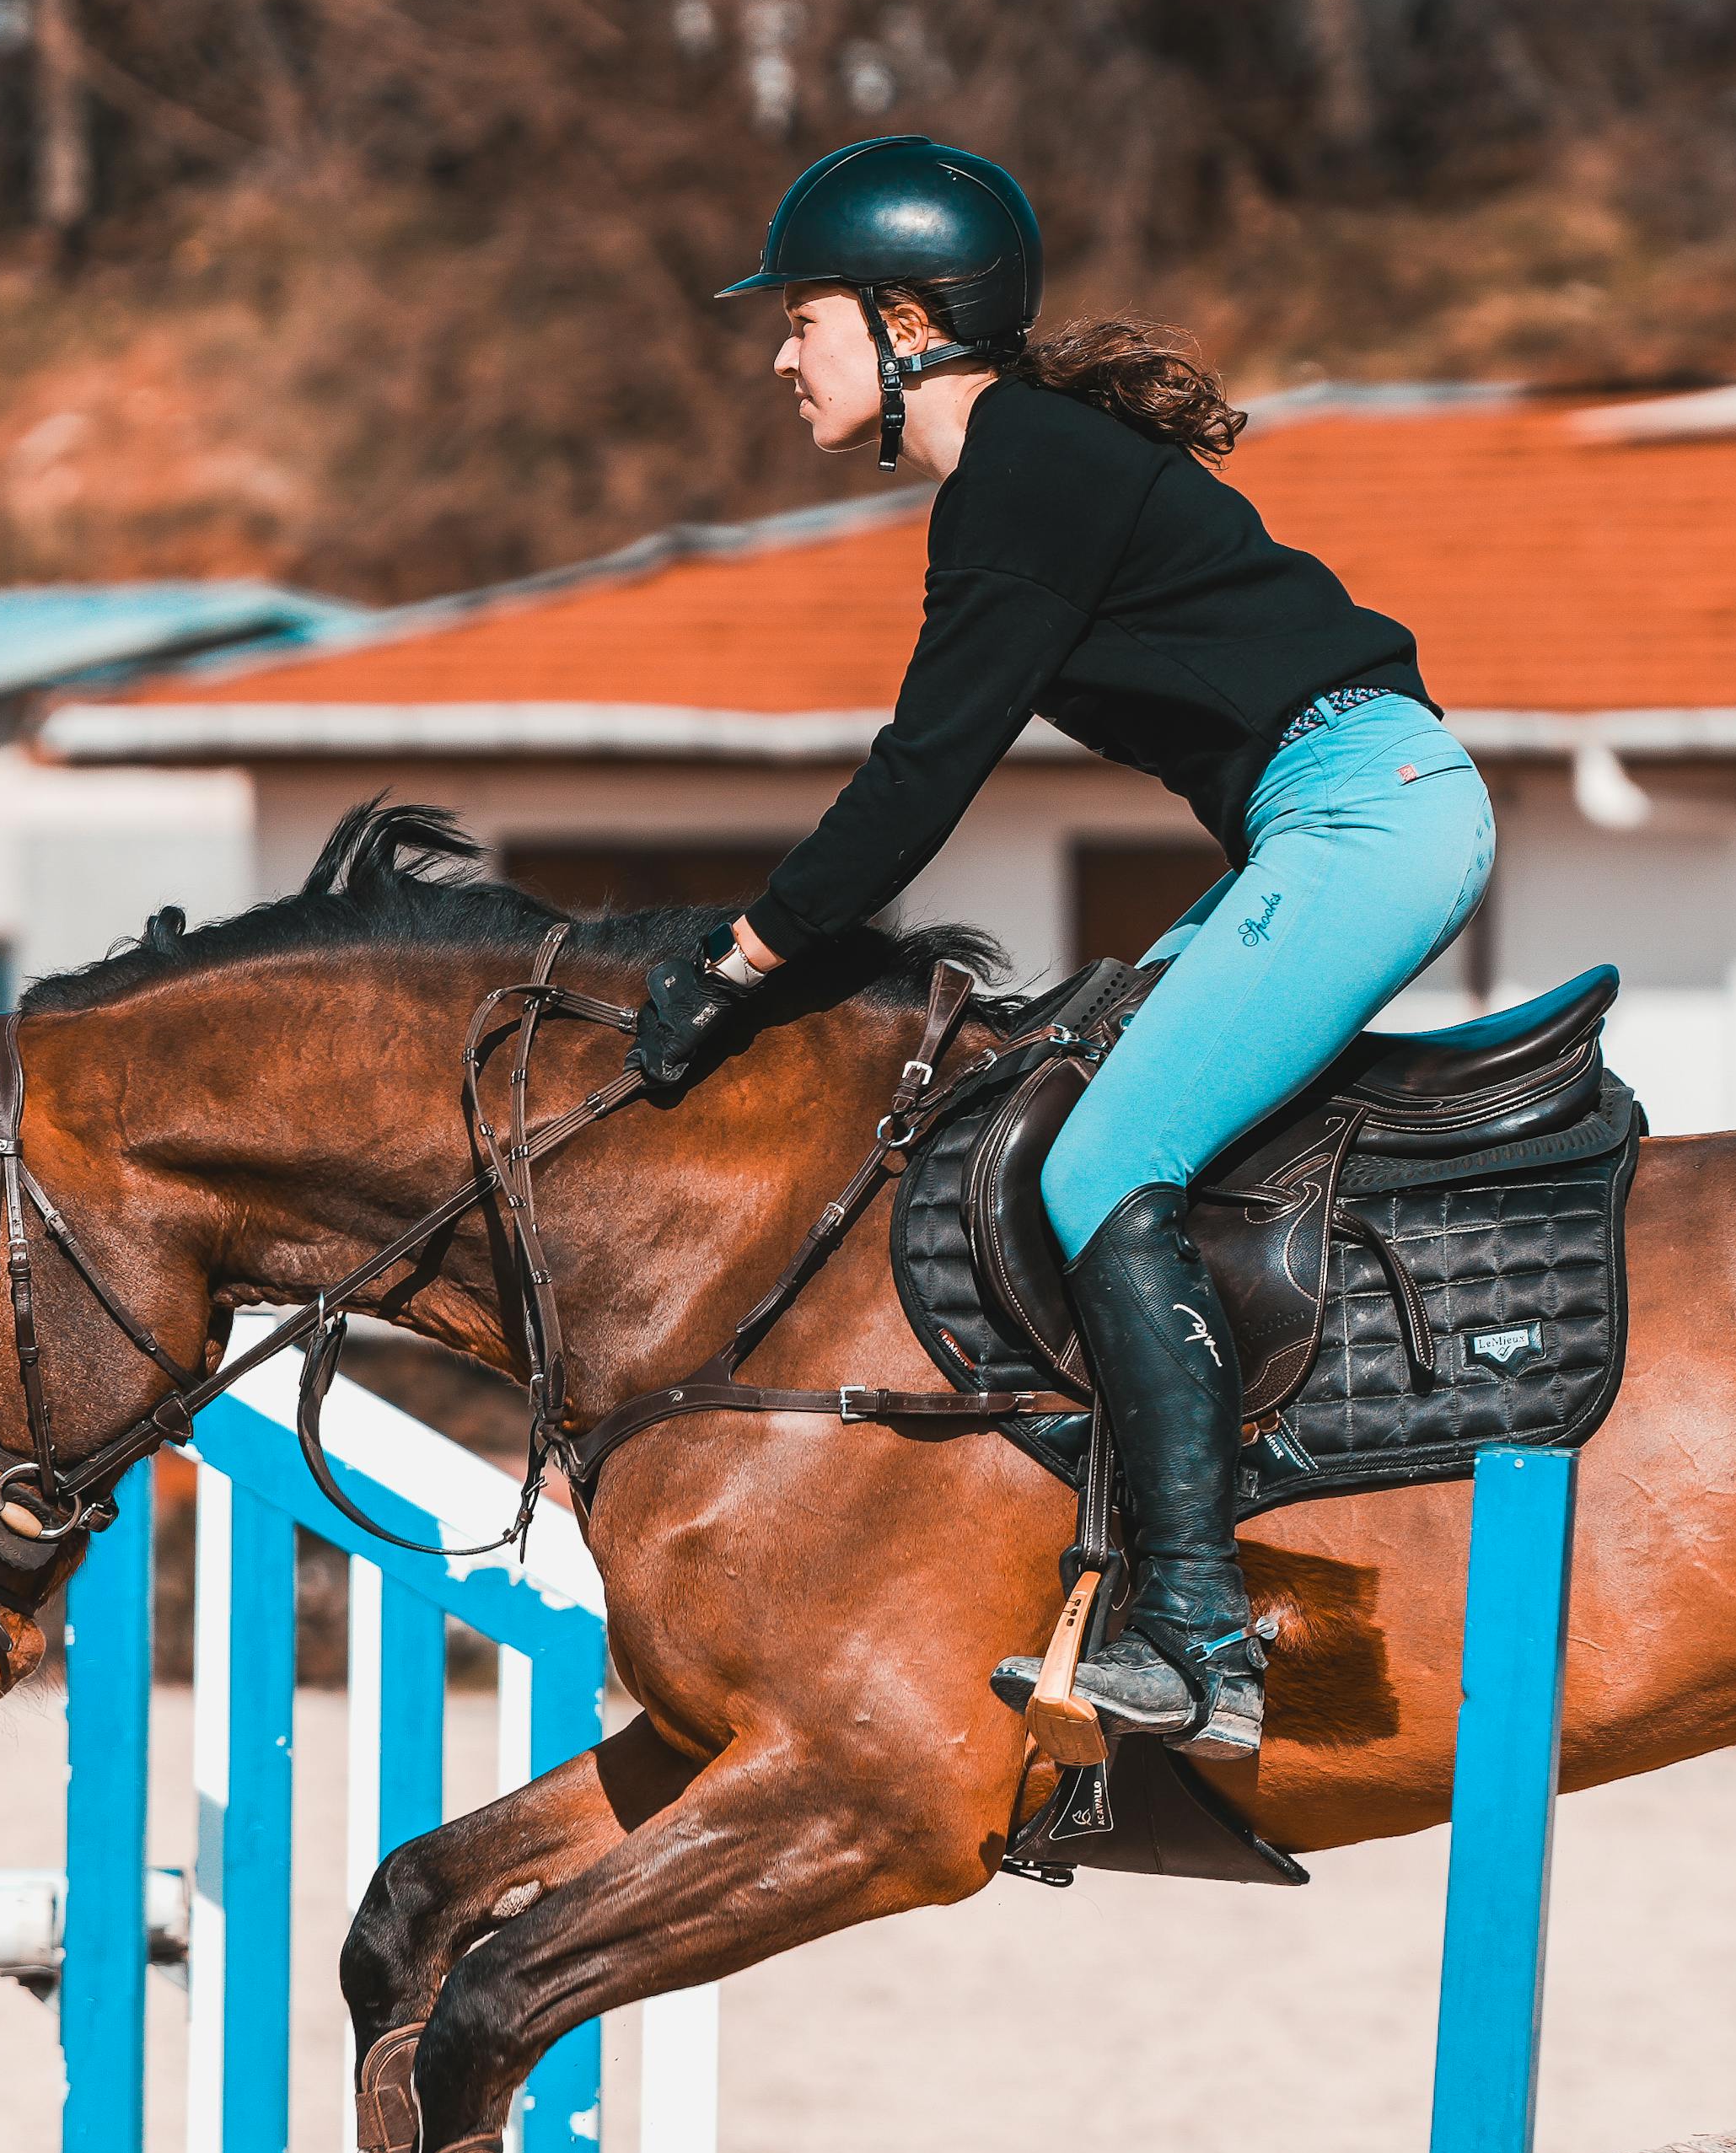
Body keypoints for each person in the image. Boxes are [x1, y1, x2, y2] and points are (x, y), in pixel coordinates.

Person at [624, 134, 1491, 1760]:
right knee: (1065, 1106)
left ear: (903, 323)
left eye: (799, 319)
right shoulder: (1026, 468)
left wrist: (744, 959)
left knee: (1101, 1170)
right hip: (1336, 815)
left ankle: (1204, 1638)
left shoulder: (1020, 474)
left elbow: (922, 773)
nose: (776, 353)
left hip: (1364, 817)